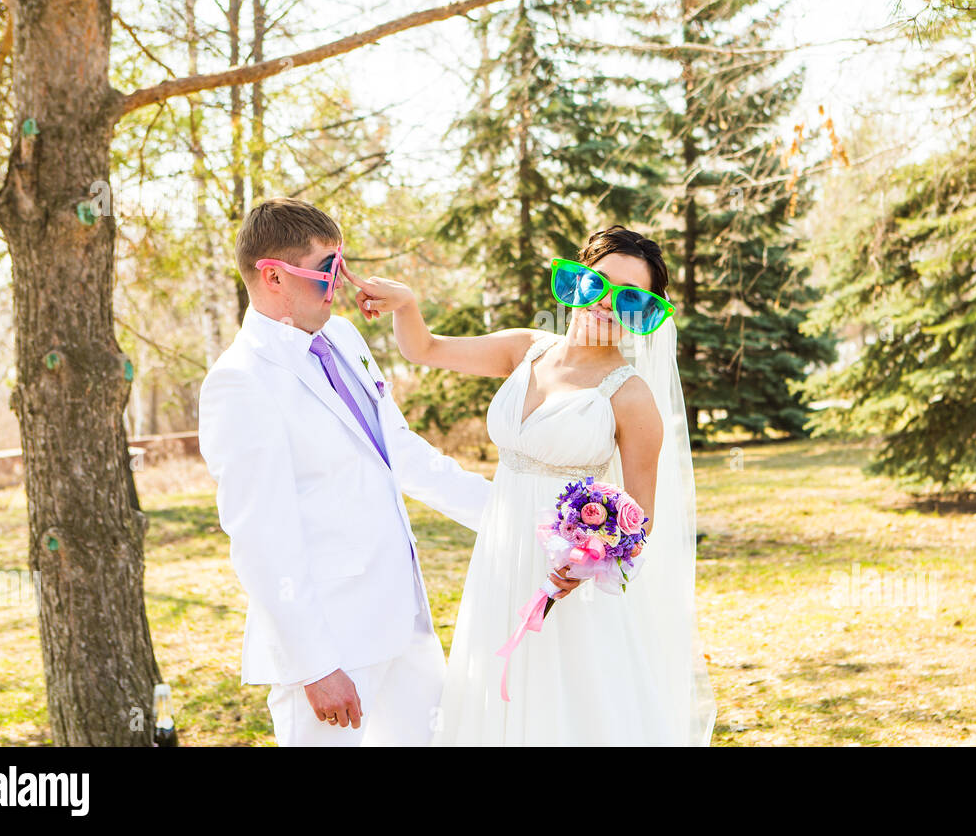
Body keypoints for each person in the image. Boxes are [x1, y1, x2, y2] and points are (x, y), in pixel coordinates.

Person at [343, 225, 716, 745]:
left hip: (566, 580)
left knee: (569, 706)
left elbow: (641, 516)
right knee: (497, 698)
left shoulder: (632, 397)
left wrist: (587, 563)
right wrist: (406, 305)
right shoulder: (526, 349)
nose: (607, 304)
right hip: (501, 558)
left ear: (644, 313)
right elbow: (424, 349)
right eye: (598, 284)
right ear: (578, 281)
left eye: (630, 297)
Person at [197, 197, 494, 746]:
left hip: (405, 622)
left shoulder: (345, 340)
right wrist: (314, 665)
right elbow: (260, 537)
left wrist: (509, 515)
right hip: (331, 645)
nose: (340, 283)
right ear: (273, 276)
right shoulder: (239, 382)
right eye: (326, 270)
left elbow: (399, 452)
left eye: (341, 264)